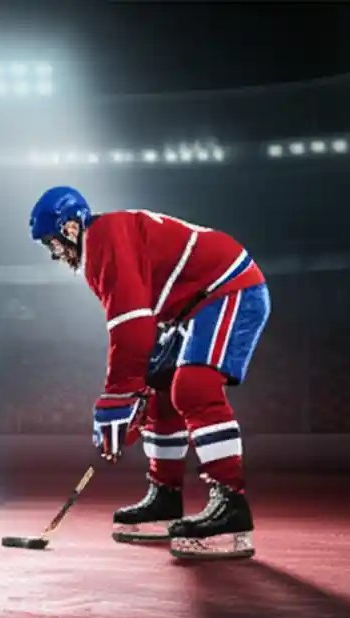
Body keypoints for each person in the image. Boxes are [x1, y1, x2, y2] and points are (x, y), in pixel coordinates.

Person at [28, 186, 268, 559]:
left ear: (70, 228)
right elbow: (140, 318)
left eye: (51, 242)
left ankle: (231, 508)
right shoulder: (104, 242)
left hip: (227, 287)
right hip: (189, 305)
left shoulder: (103, 242)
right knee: (160, 391)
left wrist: (117, 398)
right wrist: (135, 392)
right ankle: (166, 497)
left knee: (194, 387)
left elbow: (130, 324)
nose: (53, 252)